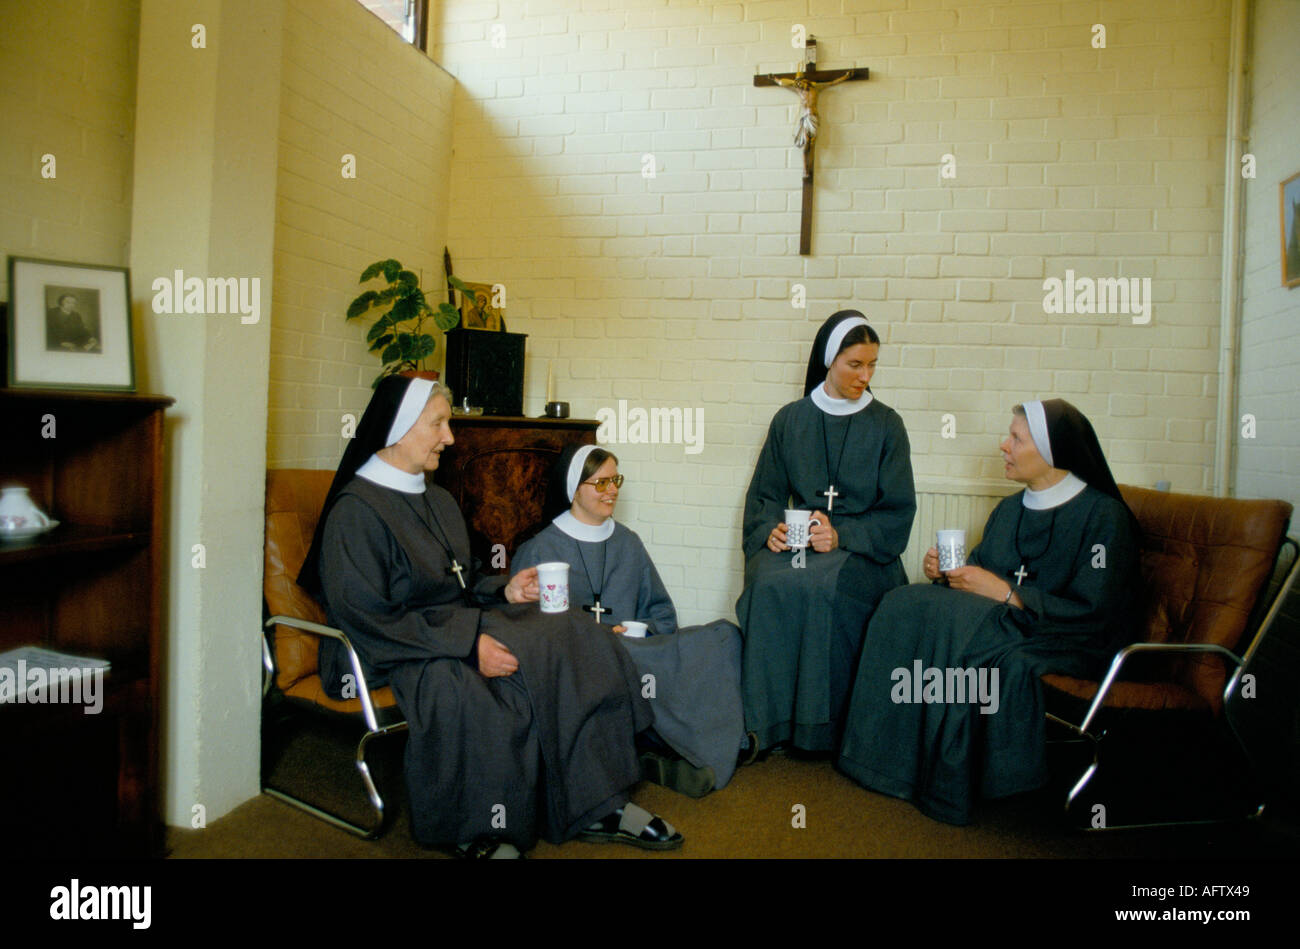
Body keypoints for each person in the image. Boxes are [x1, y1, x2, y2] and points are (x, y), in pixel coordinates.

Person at [297, 376, 683, 858]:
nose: (450, 437)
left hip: (457, 621)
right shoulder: (355, 511)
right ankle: (478, 829)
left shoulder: (435, 498)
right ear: (398, 427)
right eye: (438, 424)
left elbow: (464, 576)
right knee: (463, 686)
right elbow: (367, 616)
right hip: (390, 644)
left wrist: (505, 587)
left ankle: (598, 801)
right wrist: (465, 643)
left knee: (571, 630)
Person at [836, 399, 1141, 825]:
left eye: (1016, 438)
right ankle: (880, 762)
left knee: (967, 632)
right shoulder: (1011, 509)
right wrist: (949, 574)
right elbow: (981, 570)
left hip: (1068, 635)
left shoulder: (1104, 517)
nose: (1003, 445)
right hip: (1001, 617)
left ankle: (943, 785)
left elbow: (1097, 610)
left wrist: (1008, 593)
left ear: (1054, 452)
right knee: (901, 602)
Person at [513, 444, 747, 797]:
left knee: (725, 636)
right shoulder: (539, 549)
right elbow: (527, 630)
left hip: (635, 650)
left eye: (616, 480)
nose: (613, 491)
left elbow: (663, 612)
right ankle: (694, 751)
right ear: (573, 487)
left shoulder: (628, 543)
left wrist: (644, 629)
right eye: (601, 483)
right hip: (583, 659)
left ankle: (689, 747)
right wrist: (604, 633)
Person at [737, 310, 916, 754]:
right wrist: (770, 532)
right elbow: (765, 495)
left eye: (872, 365)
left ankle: (825, 730)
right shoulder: (790, 420)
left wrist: (843, 536)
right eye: (855, 364)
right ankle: (768, 723)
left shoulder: (887, 425)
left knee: (825, 586)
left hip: (862, 553)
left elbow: (897, 513)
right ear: (828, 361)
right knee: (767, 579)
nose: (865, 375)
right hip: (802, 545)